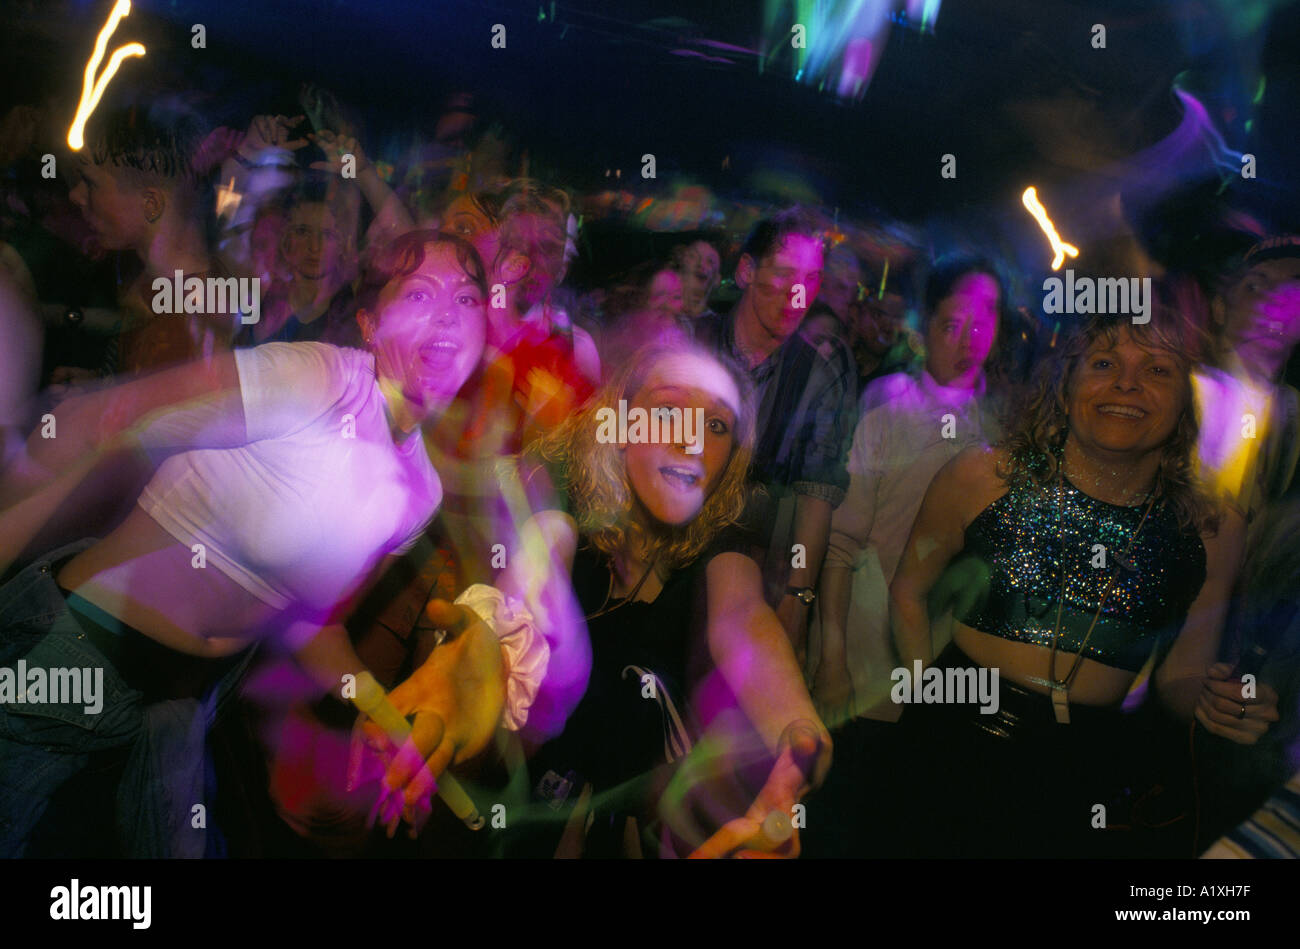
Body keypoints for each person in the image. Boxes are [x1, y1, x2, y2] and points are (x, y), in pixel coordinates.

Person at [0, 229, 516, 856]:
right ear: (371, 324)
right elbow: (103, 419)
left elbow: (313, 626)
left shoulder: (421, 493)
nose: (446, 314)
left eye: (466, 300)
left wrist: (386, 715)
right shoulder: (317, 379)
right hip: (78, 651)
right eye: (419, 294)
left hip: (185, 705)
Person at [886, 312, 1279, 857]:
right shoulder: (980, 477)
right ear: (1066, 387)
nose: (1127, 383)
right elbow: (908, 589)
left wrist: (1217, 704)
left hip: (1084, 772)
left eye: (1158, 370)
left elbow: (1183, 672)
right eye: (1103, 363)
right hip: (949, 739)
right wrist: (926, 686)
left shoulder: (1213, 529)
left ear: (1186, 403)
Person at [461, 341, 833, 857]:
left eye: (717, 425)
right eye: (668, 411)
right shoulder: (564, 497)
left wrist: (798, 733)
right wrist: (482, 645)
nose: (692, 442)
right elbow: (536, 568)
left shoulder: (721, 544)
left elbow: (742, 617)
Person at [812, 257, 1006, 725]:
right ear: (923, 330)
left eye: (983, 323)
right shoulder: (887, 404)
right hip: (863, 666)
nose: (969, 340)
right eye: (953, 325)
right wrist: (831, 661)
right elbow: (837, 547)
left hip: (941, 679)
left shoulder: (1000, 429)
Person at [694, 207, 856, 660]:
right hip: (667, 563)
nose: (799, 293)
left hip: (750, 586)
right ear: (746, 271)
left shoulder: (820, 373)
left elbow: (815, 496)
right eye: (784, 274)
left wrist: (799, 599)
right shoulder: (692, 342)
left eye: (812, 278)